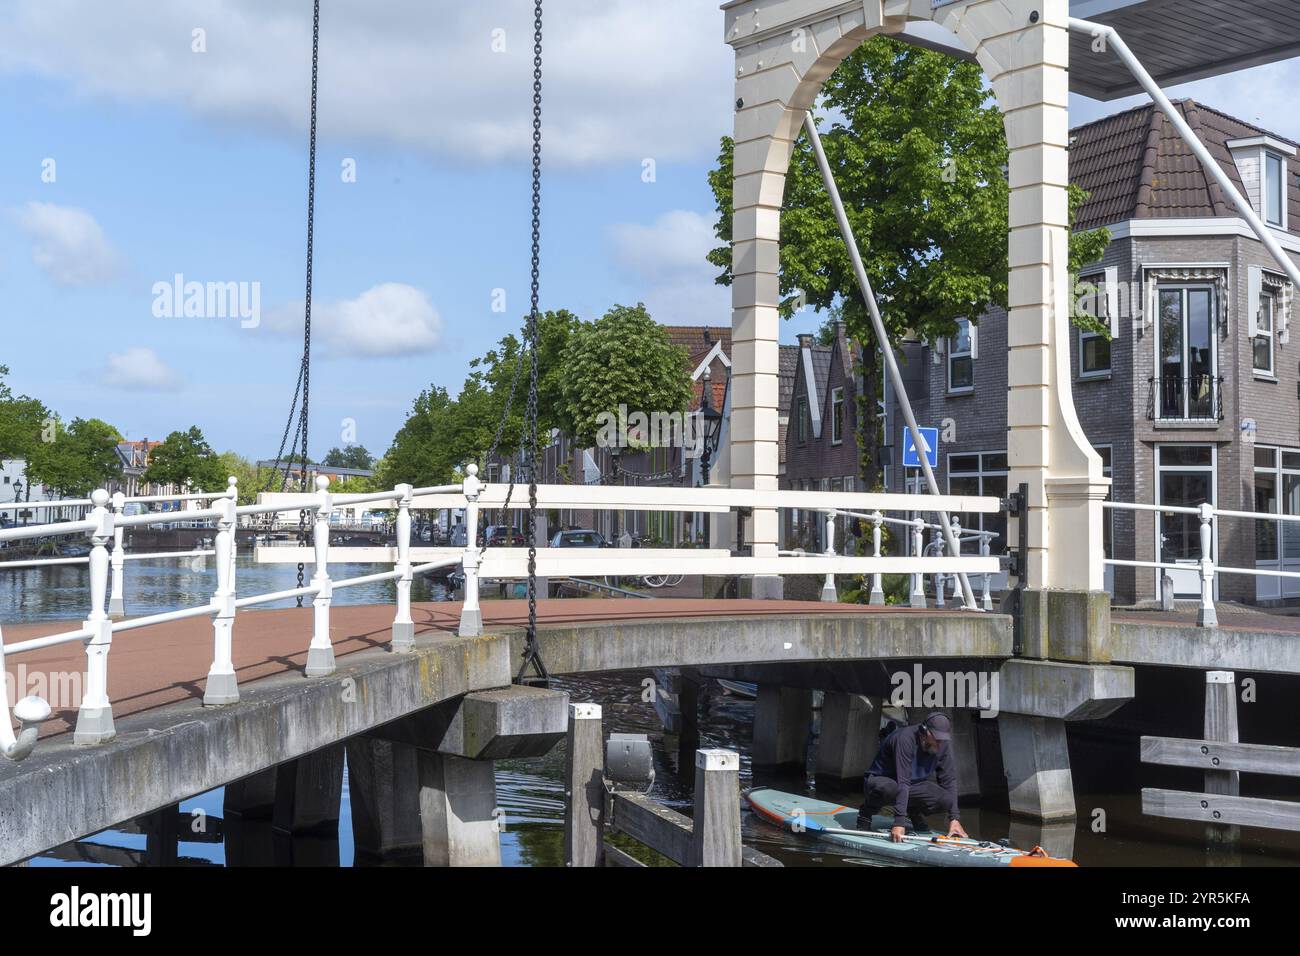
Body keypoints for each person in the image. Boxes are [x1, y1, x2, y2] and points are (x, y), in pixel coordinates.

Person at [857, 712, 969, 843]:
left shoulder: (942, 744)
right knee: (889, 788)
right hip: (882, 780)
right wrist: (899, 822)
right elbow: (903, 781)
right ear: (924, 731)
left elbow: (949, 780)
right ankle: (866, 813)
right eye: (936, 738)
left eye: (942, 739)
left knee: (946, 800)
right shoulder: (905, 739)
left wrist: (954, 819)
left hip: (911, 785)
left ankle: (913, 810)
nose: (940, 743)